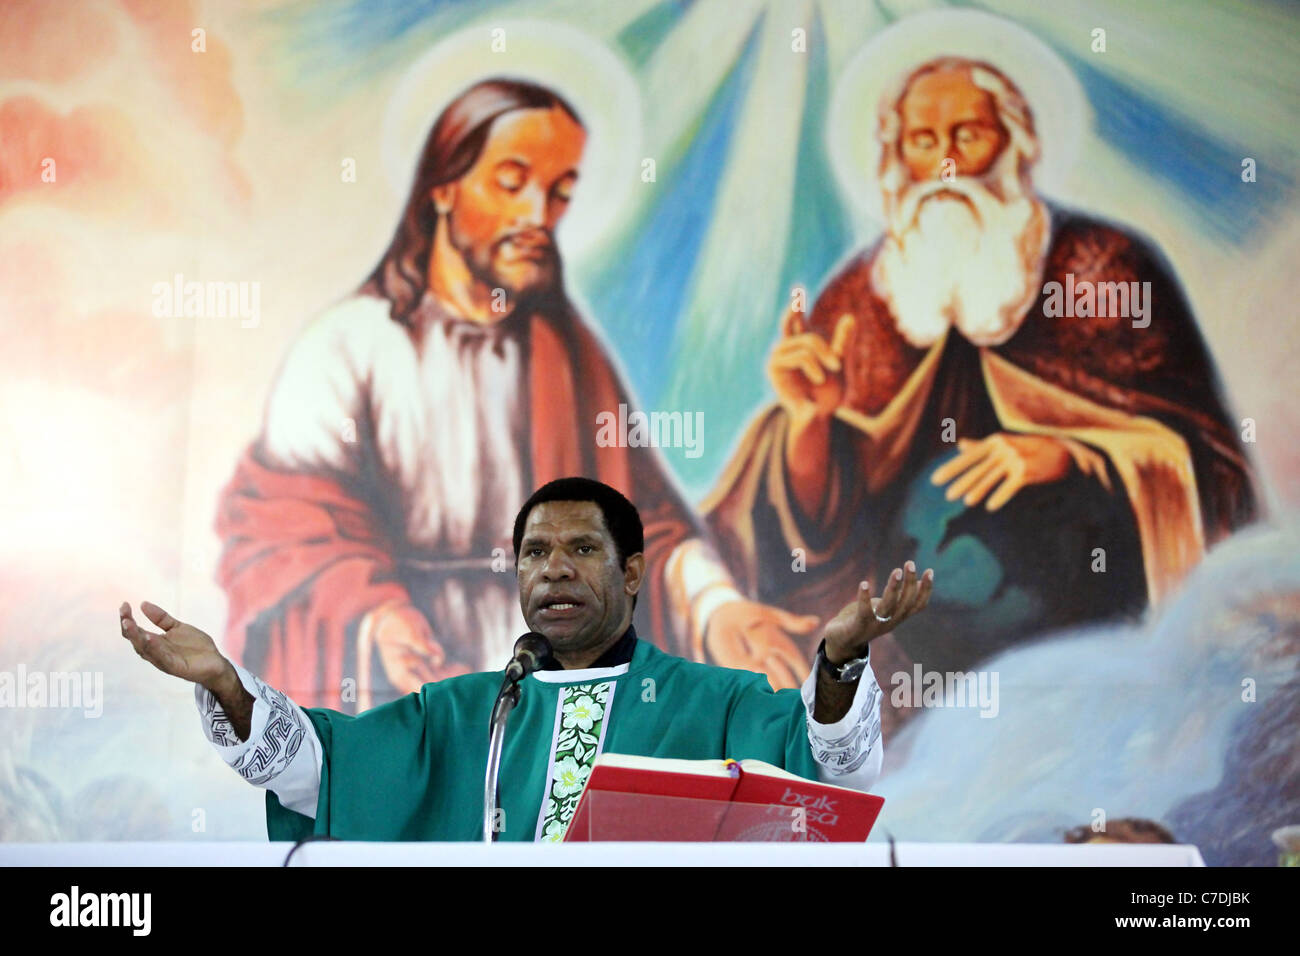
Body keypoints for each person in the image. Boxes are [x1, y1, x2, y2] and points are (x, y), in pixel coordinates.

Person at [214, 78, 817, 713]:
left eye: (559, 192)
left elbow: (644, 520)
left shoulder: (568, 354)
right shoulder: (347, 345)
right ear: (442, 187)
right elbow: (285, 532)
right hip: (401, 683)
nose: (538, 215)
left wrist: (719, 609)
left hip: (549, 687)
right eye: (512, 182)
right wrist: (381, 617)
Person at [704, 56, 1259, 721]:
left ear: (1015, 146)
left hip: (1092, 653)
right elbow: (814, 541)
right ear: (896, 157)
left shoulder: (1101, 267)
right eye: (923, 140)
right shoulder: (858, 299)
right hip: (911, 673)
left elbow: (1210, 466)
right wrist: (810, 425)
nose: (946, 163)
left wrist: (1076, 456)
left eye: (968, 135)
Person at [121, 477, 933, 842]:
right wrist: (228, 683)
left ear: (630, 572)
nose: (553, 569)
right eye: (534, 553)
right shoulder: (468, 711)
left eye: (581, 548)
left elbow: (832, 770)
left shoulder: (713, 702)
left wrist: (838, 658)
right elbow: (322, 771)